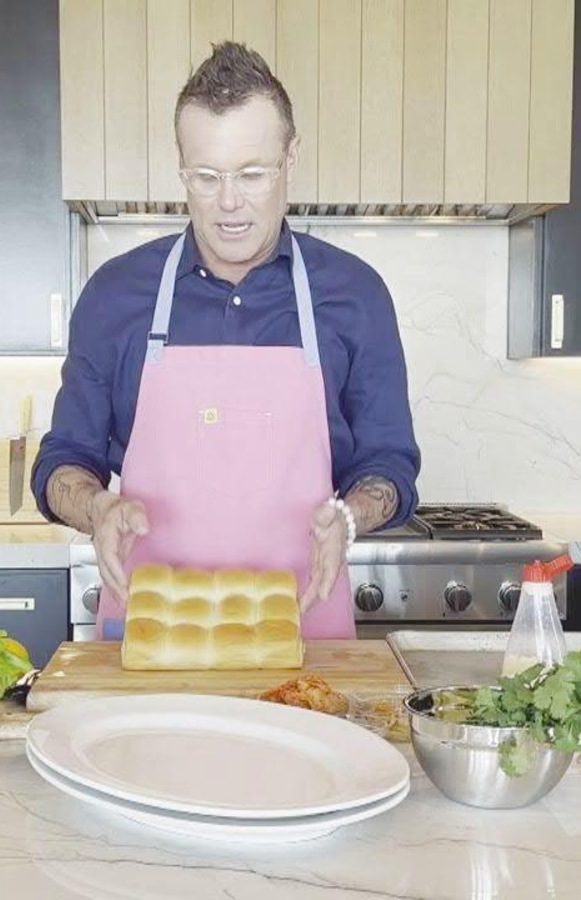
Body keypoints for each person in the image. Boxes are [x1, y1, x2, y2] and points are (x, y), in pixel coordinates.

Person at [32, 42, 420, 640]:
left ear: (291, 159)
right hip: (150, 644)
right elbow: (62, 461)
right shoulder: (115, 296)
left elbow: (388, 464)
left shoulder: (355, 295)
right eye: (207, 177)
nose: (230, 202)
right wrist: (97, 508)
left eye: (252, 174)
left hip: (304, 641)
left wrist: (351, 516)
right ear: (181, 168)